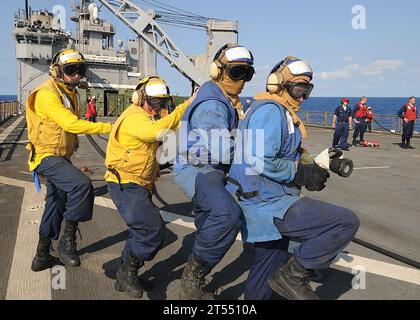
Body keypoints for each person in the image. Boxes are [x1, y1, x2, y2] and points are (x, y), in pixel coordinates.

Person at [226, 57, 360, 300]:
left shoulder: (280, 112)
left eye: (306, 90)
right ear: (279, 84)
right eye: (298, 88)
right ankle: (295, 276)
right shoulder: (270, 111)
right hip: (268, 203)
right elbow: (260, 160)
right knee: (344, 222)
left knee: (264, 281)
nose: (301, 96)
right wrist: (299, 173)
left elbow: (284, 152)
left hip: (263, 200)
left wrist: (315, 164)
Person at [173, 43, 255, 299]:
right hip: (197, 169)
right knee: (227, 215)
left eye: (247, 74)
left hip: (210, 168)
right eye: (236, 72)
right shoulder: (212, 104)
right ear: (218, 71)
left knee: (209, 222)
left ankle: (197, 271)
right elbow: (222, 149)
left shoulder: (221, 98)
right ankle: (192, 278)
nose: (241, 80)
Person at [105, 76, 193, 298]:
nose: (158, 108)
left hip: (139, 183)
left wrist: (151, 181)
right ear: (140, 98)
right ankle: (127, 271)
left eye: (162, 103)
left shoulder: (146, 116)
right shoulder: (135, 117)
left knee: (140, 230)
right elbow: (155, 133)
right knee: (152, 229)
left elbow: (147, 155)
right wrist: (185, 106)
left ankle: (124, 275)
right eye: (154, 102)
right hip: (124, 182)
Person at [26, 49, 113, 272]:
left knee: (55, 205)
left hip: (61, 157)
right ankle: (67, 240)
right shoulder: (47, 94)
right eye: (70, 70)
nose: (76, 75)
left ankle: (42, 255)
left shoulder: (67, 92)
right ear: (57, 70)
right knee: (81, 185)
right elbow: (70, 124)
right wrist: (109, 127)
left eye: (80, 70)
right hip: (46, 156)